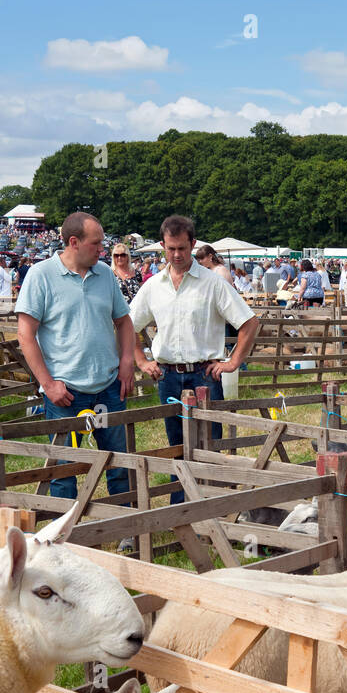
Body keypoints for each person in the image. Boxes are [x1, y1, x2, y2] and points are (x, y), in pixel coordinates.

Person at [15, 211, 137, 547]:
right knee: (65, 470)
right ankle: (60, 540)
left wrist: (127, 362)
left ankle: (124, 529)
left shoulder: (105, 276)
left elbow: (124, 322)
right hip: (66, 393)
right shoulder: (41, 276)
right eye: (96, 243)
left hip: (108, 387)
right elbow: (26, 334)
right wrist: (48, 383)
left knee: (118, 463)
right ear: (74, 242)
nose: (103, 248)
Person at [129, 214, 260, 505]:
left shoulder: (212, 283)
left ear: (193, 244)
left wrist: (233, 361)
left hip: (205, 375)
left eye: (182, 249)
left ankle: (210, 506)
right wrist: (140, 360)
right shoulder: (153, 286)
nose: (176, 255)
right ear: (162, 245)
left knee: (208, 444)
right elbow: (128, 324)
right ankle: (181, 508)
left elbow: (249, 323)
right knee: (175, 445)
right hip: (167, 376)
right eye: (171, 248)